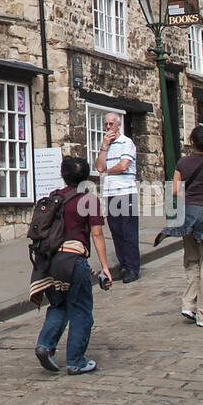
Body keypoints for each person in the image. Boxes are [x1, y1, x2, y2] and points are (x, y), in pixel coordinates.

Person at [31, 156, 110, 374]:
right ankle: (76, 360)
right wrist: (105, 267)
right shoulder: (89, 200)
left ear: (63, 175)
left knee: (59, 305)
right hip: (74, 260)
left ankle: (45, 345)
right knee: (81, 311)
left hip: (51, 261)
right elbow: (97, 233)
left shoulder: (56, 197)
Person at [153, 126, 203, 327]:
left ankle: (188, 304)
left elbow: (175, 192)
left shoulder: (182, 162)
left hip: (186, 216)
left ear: (191, 141)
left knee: (191, 260)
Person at [95, 113, 139, 283]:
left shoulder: (126, 143)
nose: (108, 127)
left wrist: (106, 171)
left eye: (111, 124)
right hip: (110, 193)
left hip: (126, 192)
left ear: (118, 125)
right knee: (116, 232)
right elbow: (99, 166)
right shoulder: (106, 145)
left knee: (129, 232)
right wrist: (104, 146)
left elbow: (123, 165)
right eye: (106, 124)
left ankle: (133, 268)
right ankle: (124, 265)